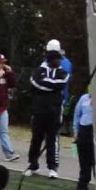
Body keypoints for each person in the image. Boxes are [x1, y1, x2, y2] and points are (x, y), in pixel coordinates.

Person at [25, 46, 69, 180]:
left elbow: (61, 82)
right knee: (36, 139)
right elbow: (34, 83)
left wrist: (45, 85)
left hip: (54, 112)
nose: (60, 62)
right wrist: (50, 86)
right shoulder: (39, 70)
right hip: (39, 112)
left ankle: (53, 167)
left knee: (52, 140)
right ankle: (33, 165)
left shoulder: (63, 73)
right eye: (57, 59)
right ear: (51, 60)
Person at [72, 92, 94, 190]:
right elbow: (77, 114)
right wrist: (76, 131)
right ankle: (82, 185)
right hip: (84, 130)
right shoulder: (84, 98)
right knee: (84, 161)